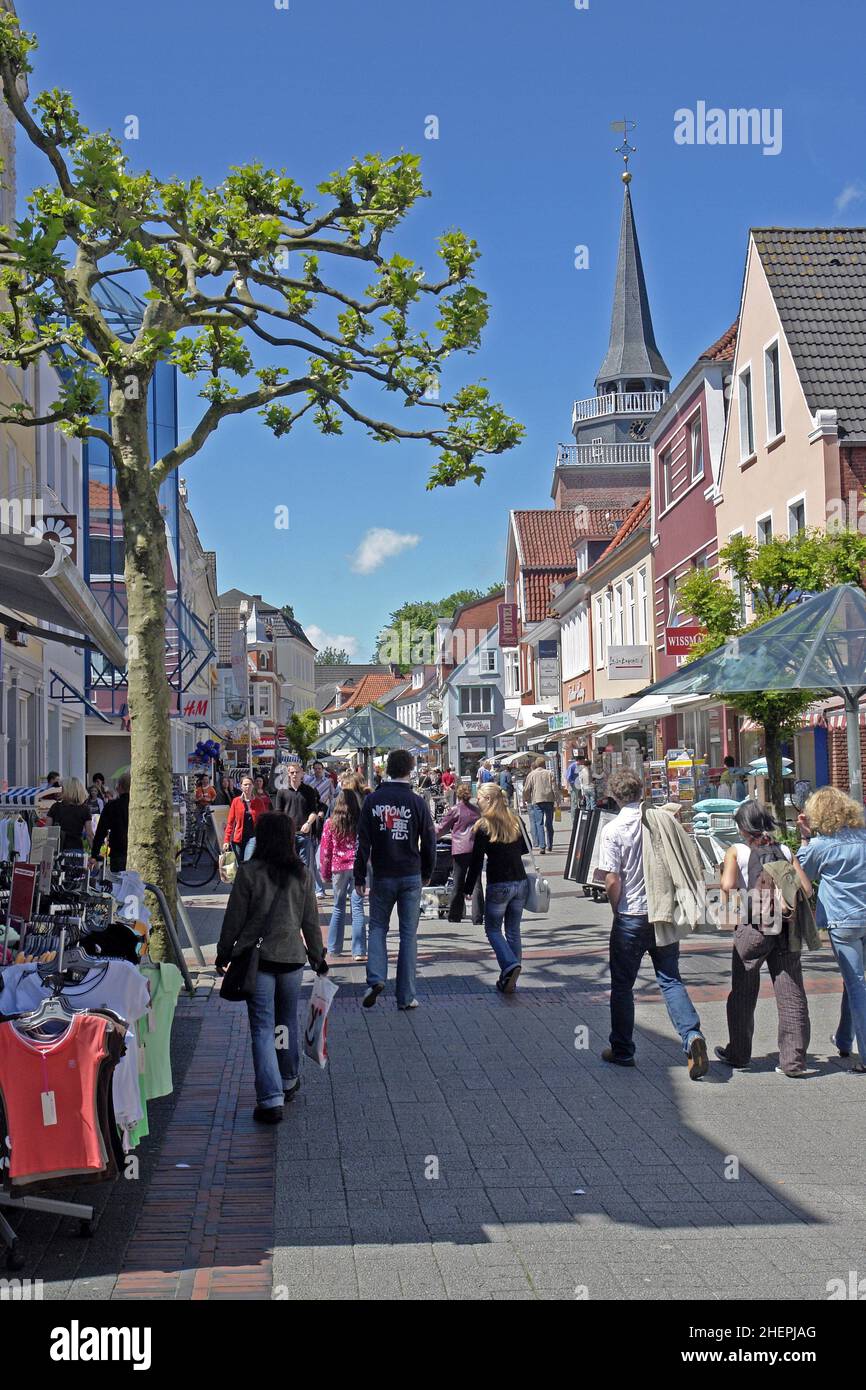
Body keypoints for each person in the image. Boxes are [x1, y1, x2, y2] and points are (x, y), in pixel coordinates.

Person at [597, 766, 709, 1078]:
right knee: (670, 978)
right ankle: (692, 1036)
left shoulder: (613, 829)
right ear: (642, 791)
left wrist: (616, 908)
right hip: (662, 912)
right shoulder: (661, 821)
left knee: (622, 985)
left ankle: (622, 1050)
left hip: (630, 916)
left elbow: (611, 877)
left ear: (614, 796)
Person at [216, 813, 327, 1124]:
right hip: (292, 960)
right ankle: (288, 1079)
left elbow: (233, 918)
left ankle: (270, 1098)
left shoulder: (250, 872)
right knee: (285, 1024)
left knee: (263, 1028)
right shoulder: (302, 874)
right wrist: (317, 957)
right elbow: (310, 921)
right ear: (290, 838)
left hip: (259, 960)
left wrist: (224, 953)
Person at [714, 801, 815, 1078]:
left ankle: (738, 1053)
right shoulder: (783, 849)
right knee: (791, 991)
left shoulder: (738, 851)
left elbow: (727, 886)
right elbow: (805, 887)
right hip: (784, 928)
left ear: (742, 826)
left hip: (753, 928)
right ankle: (793, 1062)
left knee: (743, 992)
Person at [354, 748, 436, 1011]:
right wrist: (427, 871)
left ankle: (376, 978)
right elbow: (430, 841)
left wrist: (359, 876)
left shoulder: (373, 801)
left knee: (377, 927)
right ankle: (406, 996)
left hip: (383, 874)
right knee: (408, 935)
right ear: (410, 770)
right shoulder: (417, 802)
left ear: (387, 768)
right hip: (411, 873)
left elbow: (362, 843)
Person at [796, 787, 866, 1073]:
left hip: (842, 920)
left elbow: (802, 877)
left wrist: (804, 838)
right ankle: (844, 1039)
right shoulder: (863, 838)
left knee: (857, 984)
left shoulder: (820, 846)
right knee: (855, 982)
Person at [464, 783, 529, 993]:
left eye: (480, 798)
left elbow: (475, 861)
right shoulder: (515, 820)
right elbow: (526, 848)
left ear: (489, 800)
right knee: (513, 930)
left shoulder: (484, 825)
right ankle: (511, 977)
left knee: (492, 929)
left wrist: (467, 887)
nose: (477, 801)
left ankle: (510, 966)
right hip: (520, 881)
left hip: (498, 883)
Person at [320, 788, 367, 959]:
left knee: (338, 907)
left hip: (338, 868)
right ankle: (359, 950)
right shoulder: (361, 821)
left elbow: (326, 850)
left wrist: (324, 873)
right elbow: (365, 846)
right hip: (356, 867)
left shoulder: (330, 823)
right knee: (357, 907)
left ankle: (334, 948)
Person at [436, 783, 484, 925]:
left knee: (458, 881)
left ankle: (455, 915)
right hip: (476, 848)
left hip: (460, 849)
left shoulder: (455, 810)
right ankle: (478, 916)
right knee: (476, 882)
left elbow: (441, 829)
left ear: (458, 794)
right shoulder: (477, 811)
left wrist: (428, 835)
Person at [275, 758, 326, 889]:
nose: (294, 775)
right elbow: (278, 814)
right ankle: (288, 890)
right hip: (288, 835)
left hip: (304, 834)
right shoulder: (282, 792)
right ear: (288, 773)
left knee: (304, 866)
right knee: (287, 864)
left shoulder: (308, 790)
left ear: (302, 773)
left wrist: (309, 823)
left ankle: (302, 892)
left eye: (296, 772)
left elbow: (314, 811)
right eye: (291, 772)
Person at [223, 775, 271, 864]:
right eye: (245, 785)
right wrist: (226, 840)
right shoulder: (236, 801)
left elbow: (264, 821)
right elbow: (230, 822)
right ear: (241, 786)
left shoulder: (258, 802)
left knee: (247, 862)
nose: (247, 787)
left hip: (253, 837)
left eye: (249, 784)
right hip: (238, 838)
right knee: (239, 865)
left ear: (253, 786)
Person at [90, 772, 131, 875]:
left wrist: (94, 854)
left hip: (117, 852)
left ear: (119, 787)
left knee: (118, 885)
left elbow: (100, 831)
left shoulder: (112, 806)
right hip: (137, 852)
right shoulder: (140, 807)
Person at [47, 777, 97, 853]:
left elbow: (46, 829)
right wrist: (95, 855)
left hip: (56, 851)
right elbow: (89, 835)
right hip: (76, 850)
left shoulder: (55, 807)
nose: (61, 790)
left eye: (63, 788)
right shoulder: (84, 809)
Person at [522, 756, 557, 854]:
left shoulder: (531, 774)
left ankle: (542, 846)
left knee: (539, 823)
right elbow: (555, 787)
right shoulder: (550, 773)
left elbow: (526, 789)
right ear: (544, 764)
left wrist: (525, 799)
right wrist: (558, 799)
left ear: (536, 764)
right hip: (549, 800)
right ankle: (550, 845)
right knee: (549, 824)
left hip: (537, 801)